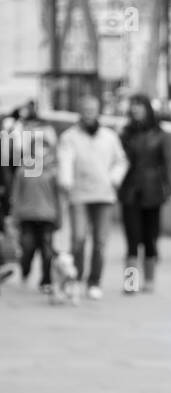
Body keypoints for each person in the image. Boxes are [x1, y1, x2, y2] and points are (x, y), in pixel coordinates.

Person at [57, 94, 128, 300]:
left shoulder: (109, 136)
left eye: (92, 109)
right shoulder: (69, 136)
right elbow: (65, 160)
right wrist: (66, 181)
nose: (89, 113)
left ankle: (94, 281)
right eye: (85, 110)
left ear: (98, 111)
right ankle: (75, 278)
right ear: (79, 111)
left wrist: (114, 179)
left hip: (104, 194)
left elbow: (120, 161)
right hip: (79, 194)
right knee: (78, 239)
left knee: (100, 241)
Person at [119, 95, 171, 293]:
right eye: (133, 107)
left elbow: (168, 164)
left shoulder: (160, 134)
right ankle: (131, 282)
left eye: (139, 107)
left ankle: (150, 279)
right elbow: (118, 161)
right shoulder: (125, 134)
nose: (135, 110)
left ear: (147, 110)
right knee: (132, 239)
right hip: (130, 190)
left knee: (151, 238)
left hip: (153, 190)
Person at [11, 105, 60, 291]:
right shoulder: (23, 171)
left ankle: (46, 281)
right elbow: (16, 195)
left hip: (47, 216)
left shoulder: (53, 172)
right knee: (28, 249)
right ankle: (25, 270)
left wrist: (59, 218)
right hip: (27, 216)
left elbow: (58, 198)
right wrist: (13, 217)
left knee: (48, 252)